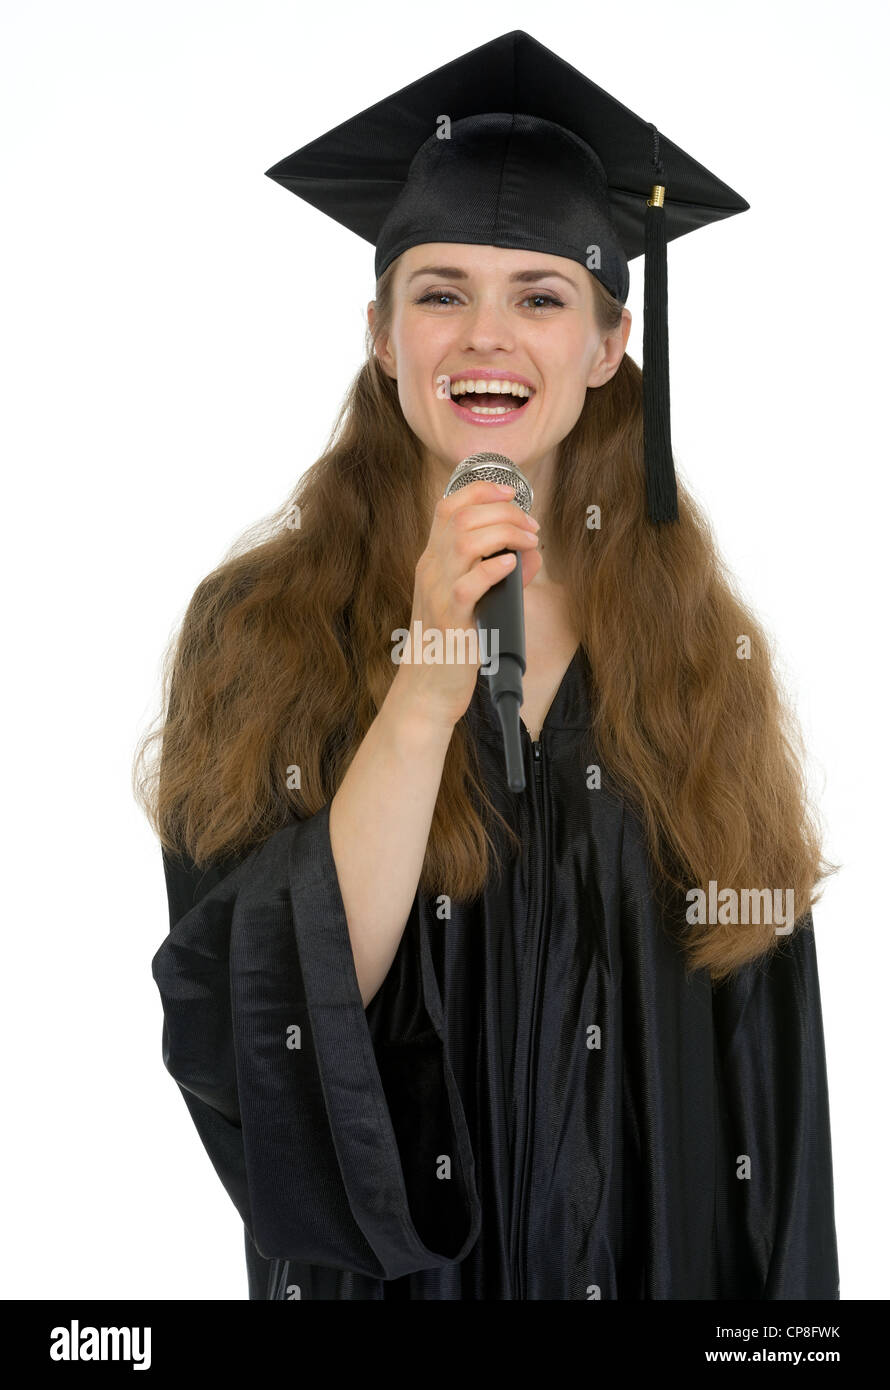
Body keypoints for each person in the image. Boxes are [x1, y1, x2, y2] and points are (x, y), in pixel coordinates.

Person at [135, 31, 840, 1300]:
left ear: (609, 343)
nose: (487, 337)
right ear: (382, 334)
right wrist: (425, 681)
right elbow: (266, 1026)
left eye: (540, 295)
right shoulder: (257, 632)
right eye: (441, 291)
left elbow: (766, 1082)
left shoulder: (692, 654)